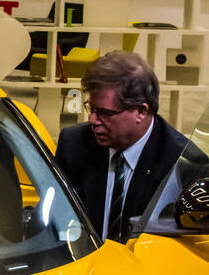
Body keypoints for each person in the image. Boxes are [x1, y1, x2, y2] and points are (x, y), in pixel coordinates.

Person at [55, 51, 187, 242]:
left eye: (105, 113)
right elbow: (56, 218)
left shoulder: (179, 161)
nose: (92, 120)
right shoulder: (74, 144)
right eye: (91, 109)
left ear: (141, 112)